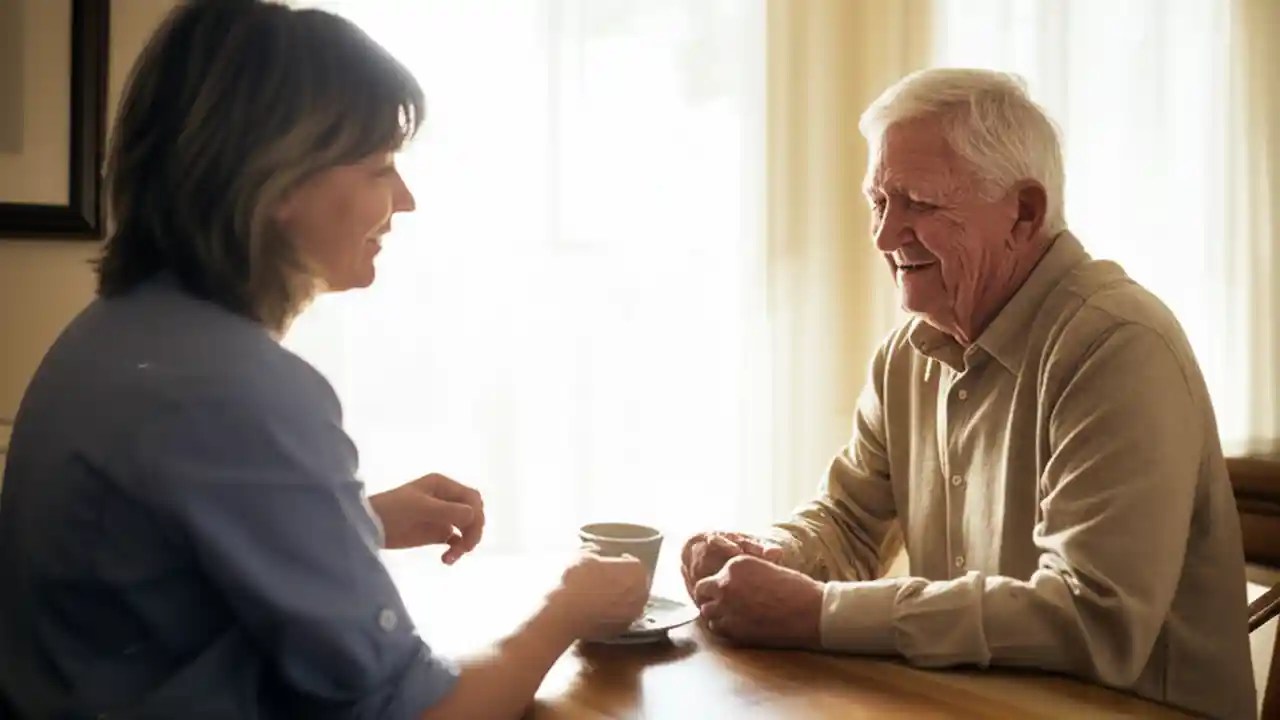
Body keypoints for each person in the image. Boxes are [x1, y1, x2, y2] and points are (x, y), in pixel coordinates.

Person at [0, 2, 648, 718]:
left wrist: (352, 521)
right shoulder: (235, 390)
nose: (404, 200)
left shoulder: (112, 336)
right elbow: (419, 715)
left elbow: (158, 570)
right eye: (379, 168)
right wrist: (566, 610)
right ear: (277, 182)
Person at [681, 68, 1256, 720]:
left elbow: (1092, 619)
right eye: (878, 202)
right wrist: (773, 557)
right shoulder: (906, 352)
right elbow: (847, 522)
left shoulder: (1118, 346)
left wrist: (816, 613)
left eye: (918, 202)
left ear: (1024, 212)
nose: (883, 235)